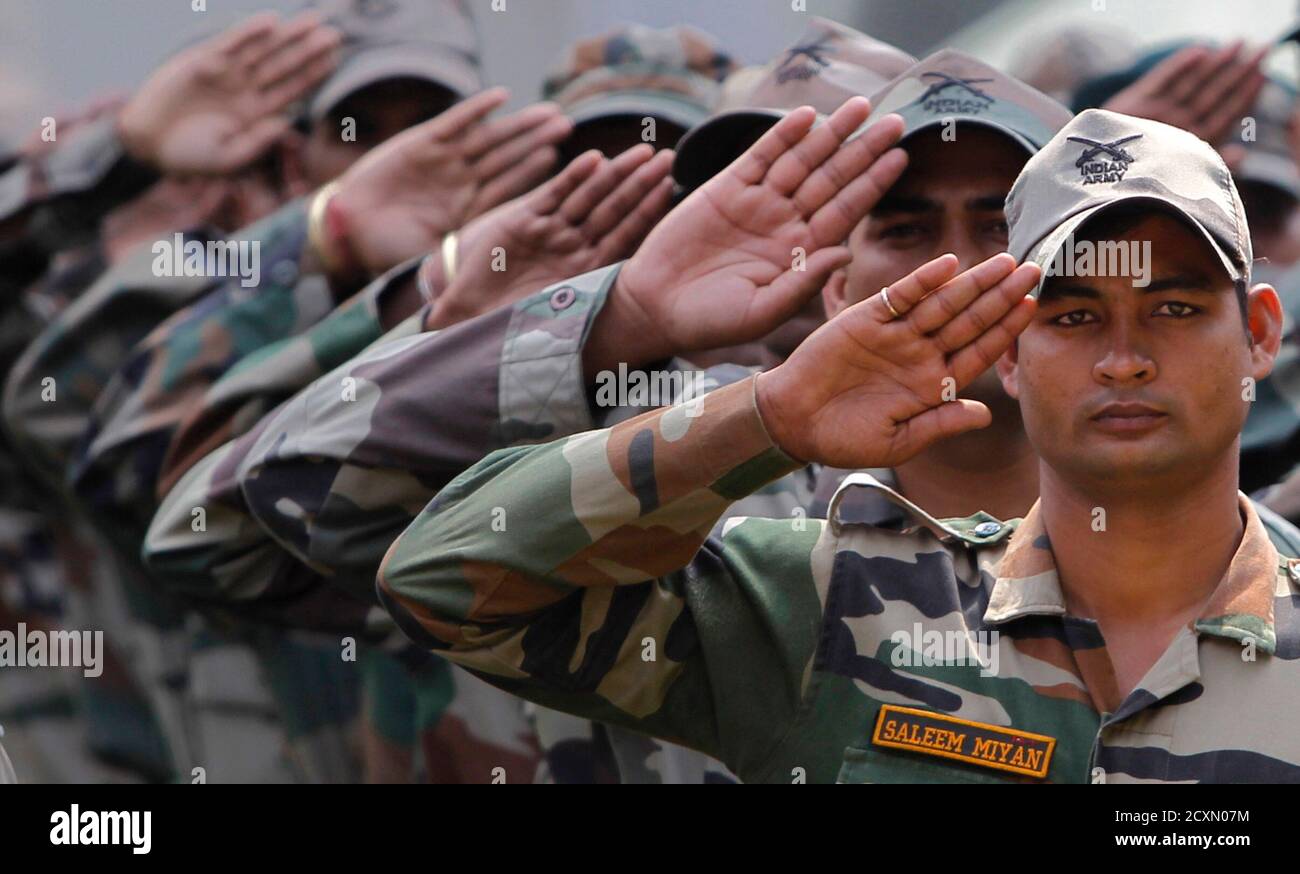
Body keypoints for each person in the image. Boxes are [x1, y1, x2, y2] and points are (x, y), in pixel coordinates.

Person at [376, 106, 1300, 784]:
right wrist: (766, 417)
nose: (1125, 360)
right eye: (1072, 315)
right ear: (1006, 349)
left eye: (1175, 308)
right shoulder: (832, 601)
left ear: (1261, 331)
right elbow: (445, 584)